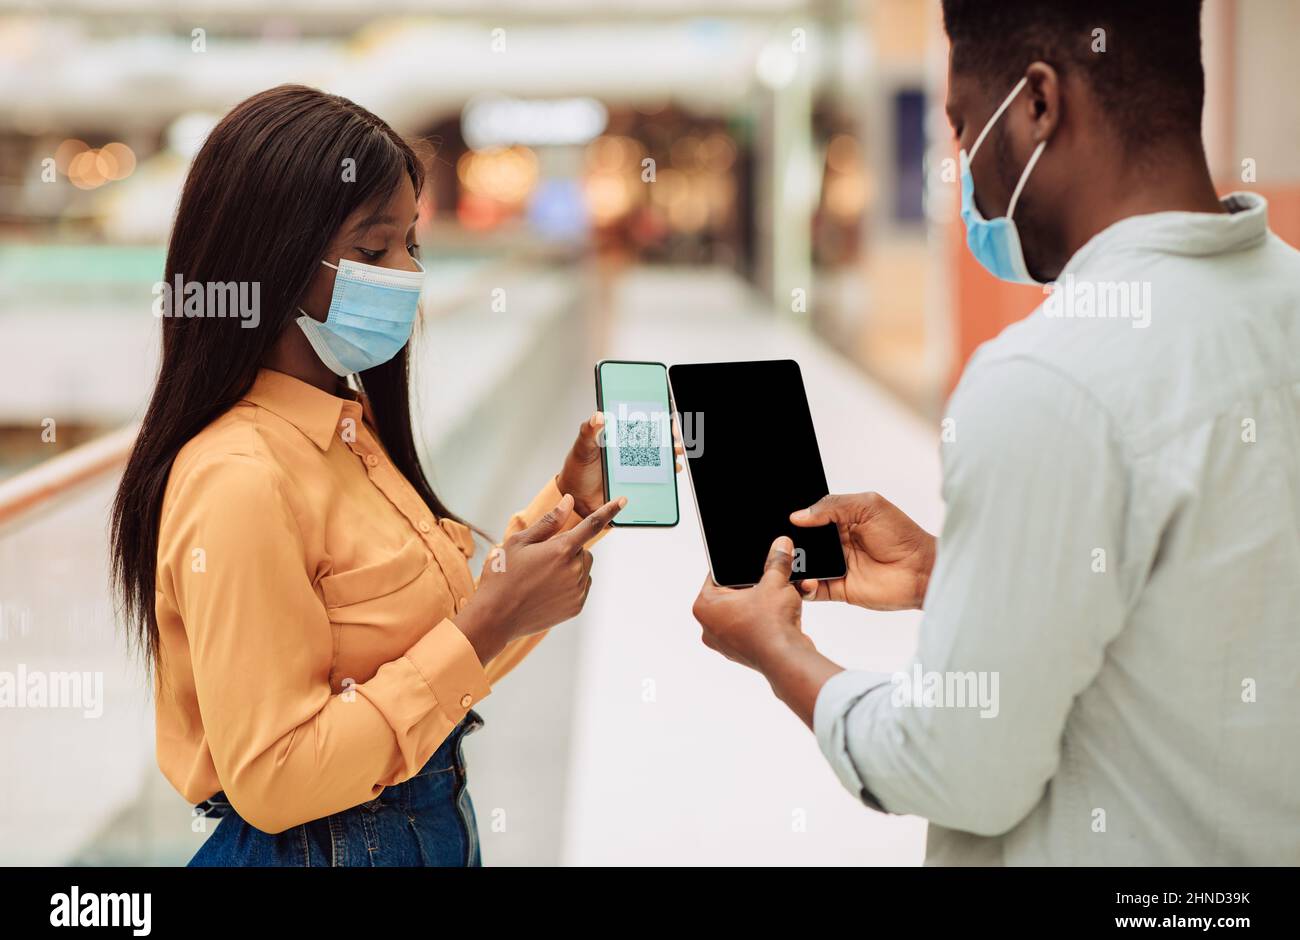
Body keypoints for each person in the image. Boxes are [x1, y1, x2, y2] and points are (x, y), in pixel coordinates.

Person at [692, 0, 1300, 865]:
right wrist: (954, 576)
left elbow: (954, 766)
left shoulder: (1049, 380)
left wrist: (777, 648)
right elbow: (1208, 607)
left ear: (1039, 104)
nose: (965, 168)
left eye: (965, 123)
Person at [108, 85, 670, 866]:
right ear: (269, 259)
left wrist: (568, 505)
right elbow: (275, 779)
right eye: (374, 250)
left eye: (412, 244)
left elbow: (441, 666)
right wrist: (488, 623)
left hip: (422, 826)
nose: (406, 274)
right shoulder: (239, 478)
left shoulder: (349, 431)